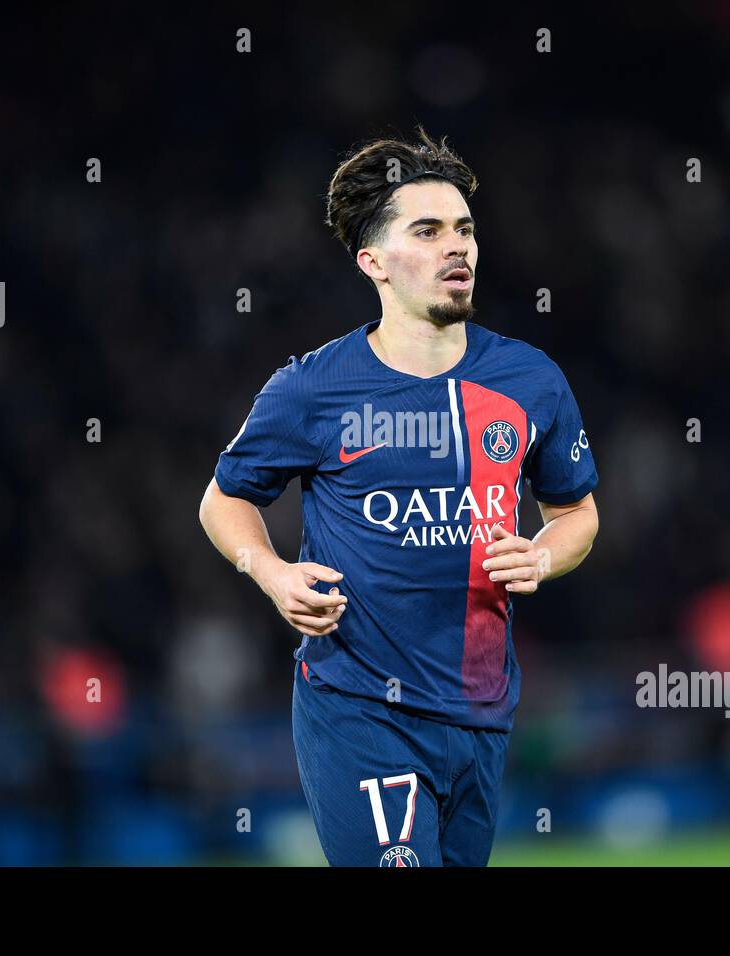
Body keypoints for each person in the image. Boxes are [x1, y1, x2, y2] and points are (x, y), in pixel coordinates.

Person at [199, 126, 599, 866]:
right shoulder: (313, 389)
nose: (459, 247)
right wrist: (272, 571)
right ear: (372, 261)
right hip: (358, 706)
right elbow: (223, 500)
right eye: (429, 230)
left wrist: (542, 558)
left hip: (481, 711)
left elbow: (575, 513)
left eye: (465, 229)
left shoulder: (531, 381)